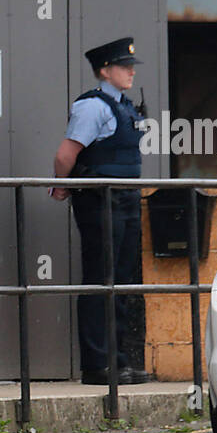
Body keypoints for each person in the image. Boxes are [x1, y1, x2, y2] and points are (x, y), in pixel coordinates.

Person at [50, 37, 152, 386]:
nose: (131, 73)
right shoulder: (93, 107)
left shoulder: (124, 105)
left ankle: (118, 361)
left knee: (120, 281)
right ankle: (97, 364)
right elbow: (66, 154)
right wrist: (61, 186)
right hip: (100, 199)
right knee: (100, 279)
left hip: (124, 197)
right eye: (124, 67)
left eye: (131, 67)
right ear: (105, 71)